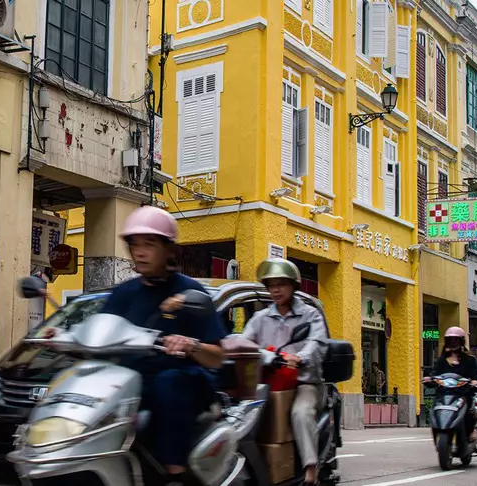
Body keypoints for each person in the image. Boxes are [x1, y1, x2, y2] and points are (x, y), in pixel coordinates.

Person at [98, 206, 226, 483]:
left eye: (149, 244)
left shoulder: (191, 292)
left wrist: (190, 345)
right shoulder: (123, 294)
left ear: (169, 250)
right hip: (134, 382)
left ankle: (175, 473)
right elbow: (100, 333)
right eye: (135, 245)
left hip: (185, 381)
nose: (140, 252)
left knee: (168, 383)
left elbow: (217, 356)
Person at [242, 258, 328, 486]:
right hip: (268, 383)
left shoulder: (311, 315)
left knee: (300, 412)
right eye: (271, 284)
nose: (276, 289)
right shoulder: (260, 318)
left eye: (282, 283)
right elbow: (244, 344)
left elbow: (318, 343)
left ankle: (310, 468)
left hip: (304, 383)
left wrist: (300, 358)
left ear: (293, 285)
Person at [424, 327, 477, 435]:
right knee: (435, 408)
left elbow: (475, 376)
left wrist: (474, 381)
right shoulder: (442, 360)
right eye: (450, 340)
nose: (453, 343)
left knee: (469, 409)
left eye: (455, 340)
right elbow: (435, 374)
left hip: (462, 394)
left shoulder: (470, 360)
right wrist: (430, 379)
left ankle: (471, 432)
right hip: (444, 394)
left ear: (461, 341)